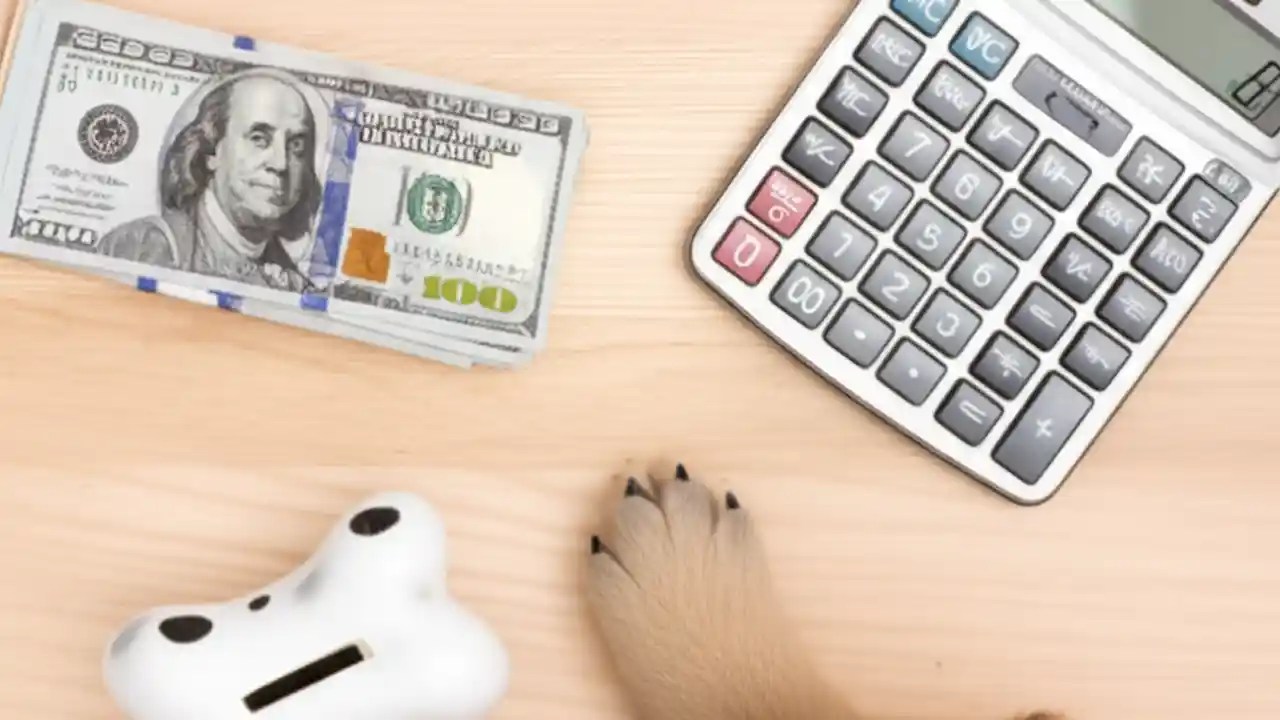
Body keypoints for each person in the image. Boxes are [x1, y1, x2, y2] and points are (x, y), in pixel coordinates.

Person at [100, 71, 324, 292]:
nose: (281, 163)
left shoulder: (296, 287)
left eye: (297, 146)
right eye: (259, 139)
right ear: (211, 151)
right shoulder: (146, 246)